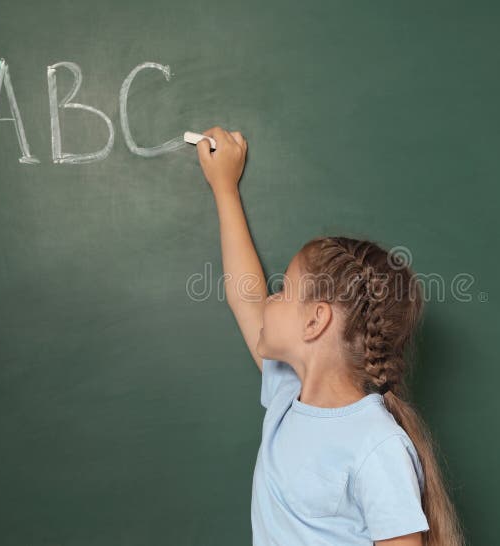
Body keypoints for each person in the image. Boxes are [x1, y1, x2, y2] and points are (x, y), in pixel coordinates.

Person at [196, 126, 466, 546]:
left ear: (315, 321)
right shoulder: (288, 394)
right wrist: (224, 188)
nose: (270, 300)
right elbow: (246, 298)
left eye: (283, 291)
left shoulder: (376, 445)